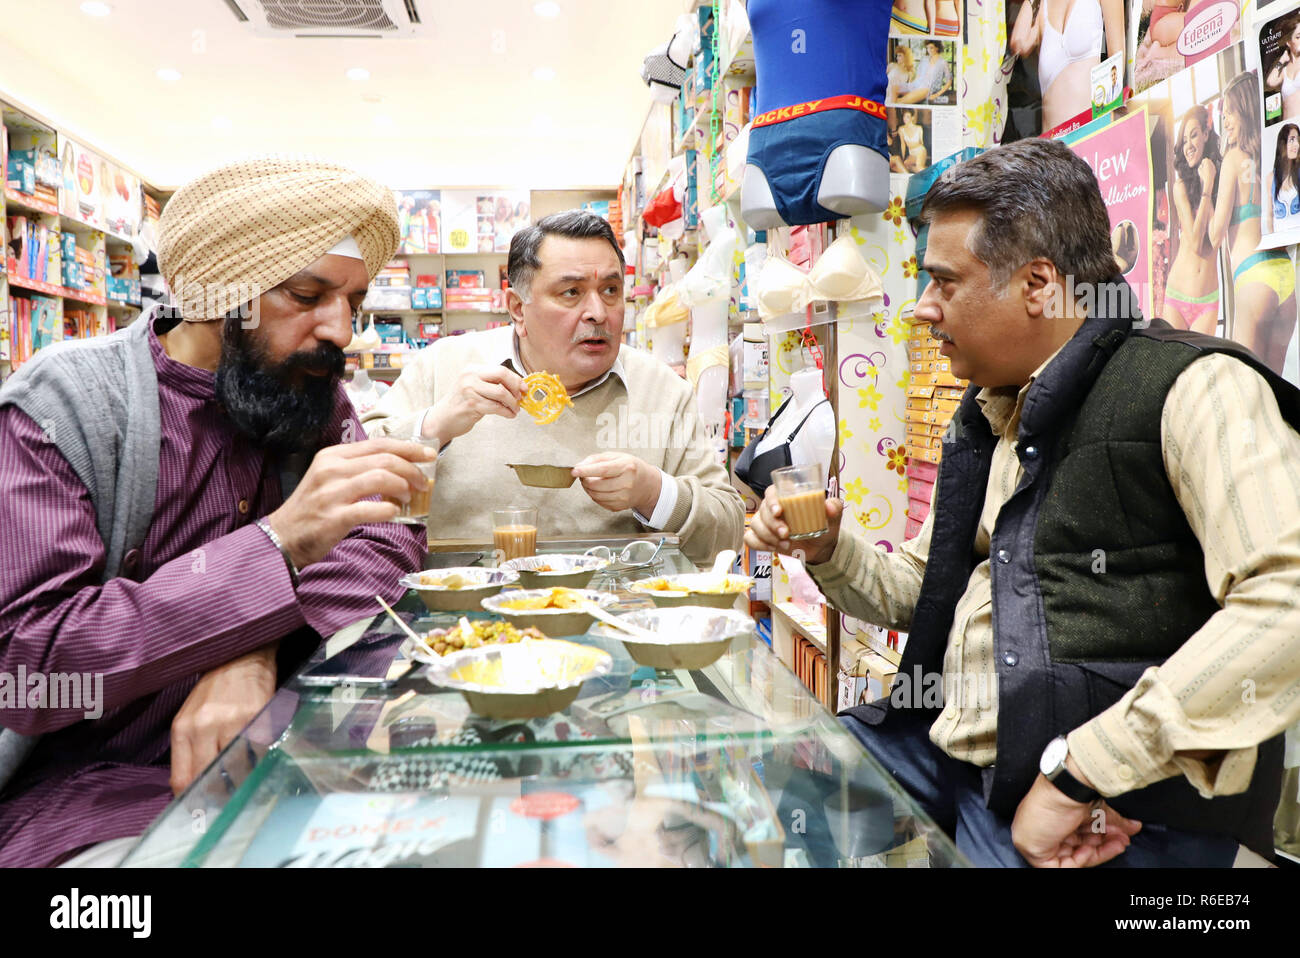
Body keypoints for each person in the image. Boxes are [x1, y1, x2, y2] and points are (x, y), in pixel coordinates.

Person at [747, 137, 1300, 867]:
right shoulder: (990, 413)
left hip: (1109, 811)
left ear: (1039, 284)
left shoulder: (1196, 389)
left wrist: (1081, 770)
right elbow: (925, 587)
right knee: (768, 792)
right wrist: (826, 549)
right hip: (954, 755)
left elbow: (1286, 601)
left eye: (944, 283)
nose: (922, 310)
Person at [0, 156, 433, 867]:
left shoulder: (306, 391)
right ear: (215, 291)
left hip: (294, 761)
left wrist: (246, 648)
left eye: (352, 301)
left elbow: (383, 538)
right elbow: (29, 666)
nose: (341, 330)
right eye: (307, 294)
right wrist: (277, 545)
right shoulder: (68, 404)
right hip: (96, 800)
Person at [362, 210, 744, 566]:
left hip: (613, 607)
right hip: (467, 608)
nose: (598, 312)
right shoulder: (442, 366)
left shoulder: (664, 391)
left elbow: (727, 533)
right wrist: (432, 427)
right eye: (571, 292)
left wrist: (654, 493)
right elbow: (354, 476)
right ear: (517, 308)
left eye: (611, 290)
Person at [1209, 72, 1297, 374]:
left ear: (1244, 112)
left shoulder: (1233, 159)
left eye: (1230, 112)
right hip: (1285, 278)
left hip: (1254, 278)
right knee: (1278, 389)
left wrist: (1207, 190)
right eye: (1223, 114)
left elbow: (1215, 236)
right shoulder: (1270, 157)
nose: (1225, 121)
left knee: (1246, 386)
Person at [1011, 0, 1126, 132]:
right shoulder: (1042, 5)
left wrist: (1104, 129)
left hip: (1090, 131)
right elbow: (1019, 43)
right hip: (1052, 139)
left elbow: (1117, 62)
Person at [1164, 105, 1221, 333]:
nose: (1188, 146)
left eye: (1194, 135)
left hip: (1207, 300)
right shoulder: (1181, 188)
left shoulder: (1220, 180)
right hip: (1177, 297)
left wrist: (1211, 183)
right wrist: (1207, 187)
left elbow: (1215, 239)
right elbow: (1196, 243)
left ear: (1206, 134)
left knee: (1203, 357)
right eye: (1184, 140)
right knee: (1171, 358)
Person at [1265, 13, 1300, 121]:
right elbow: (1270, 82)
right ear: (1289, 42)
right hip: (1287, 125)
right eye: (1298, 37)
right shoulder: (1285, 69)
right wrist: (1282, 60)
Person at [1271, 123, 1300, 233]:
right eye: (1292, 139)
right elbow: (1269, 216)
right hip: (1280, 239)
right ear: (1282, 144)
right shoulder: (1271, 178)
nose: (1296, 144)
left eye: (1298, 140)